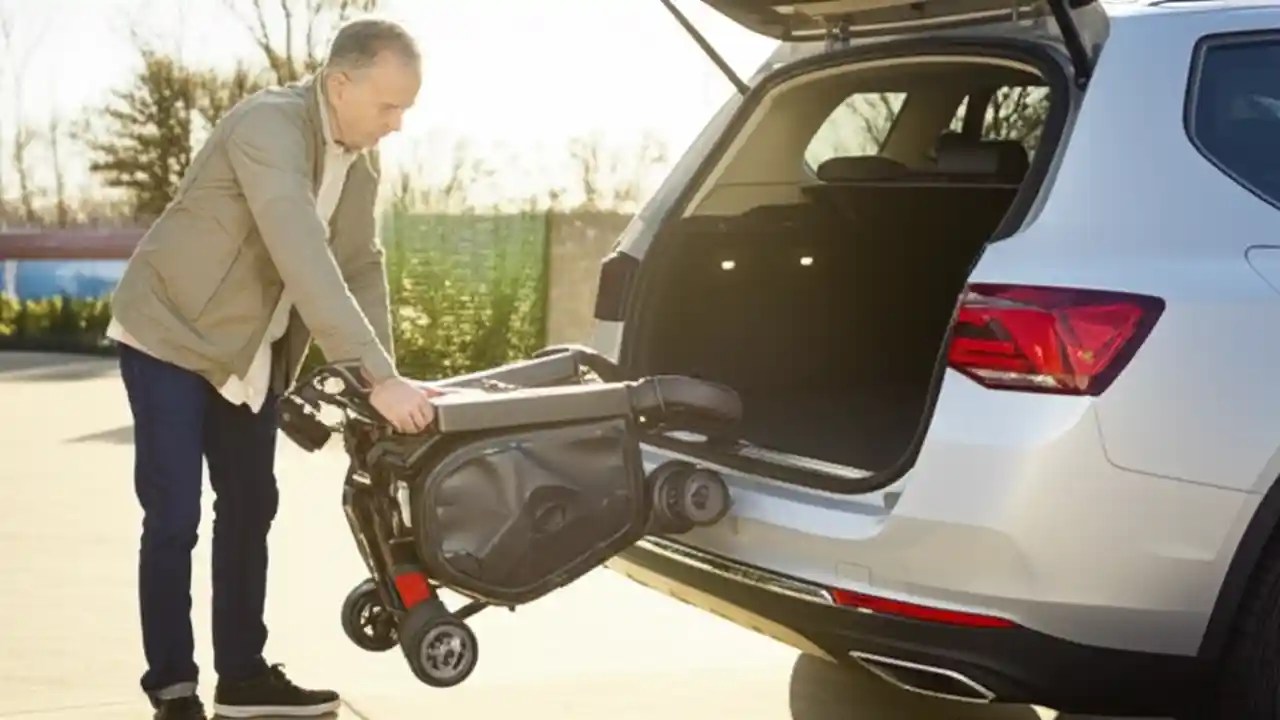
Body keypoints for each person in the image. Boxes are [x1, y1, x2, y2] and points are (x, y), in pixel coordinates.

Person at [106, 16, 433, 720]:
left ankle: (244, 677)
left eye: (405, 108)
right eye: (388, 106)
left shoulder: (360, 161)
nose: (397, 123)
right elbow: (303, 253)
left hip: (250, 353)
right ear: (339, 84)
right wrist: (377, 378)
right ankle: (173, 687)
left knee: (251, 506)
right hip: (171, 333)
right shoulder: (268, 127)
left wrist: (385, 377)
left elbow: (359, 266)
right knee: (174, 515)